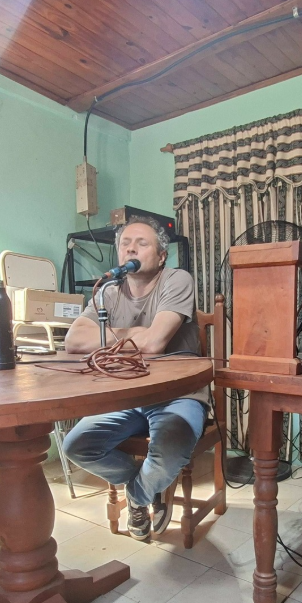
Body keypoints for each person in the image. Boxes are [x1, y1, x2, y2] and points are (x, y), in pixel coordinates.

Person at [61, 216, 207, 542]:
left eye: (142, 243)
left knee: (171, 449)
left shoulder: (177, 279)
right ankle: (143, 483)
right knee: (77, 446)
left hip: (178, 395)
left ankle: (138, 496)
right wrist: (136, 333)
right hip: (126, 394)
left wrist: (111, 337)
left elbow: (155, 344)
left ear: (161, 256)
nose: (131, 248)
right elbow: (74, 340)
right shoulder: (109, 291)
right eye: (125, 243)